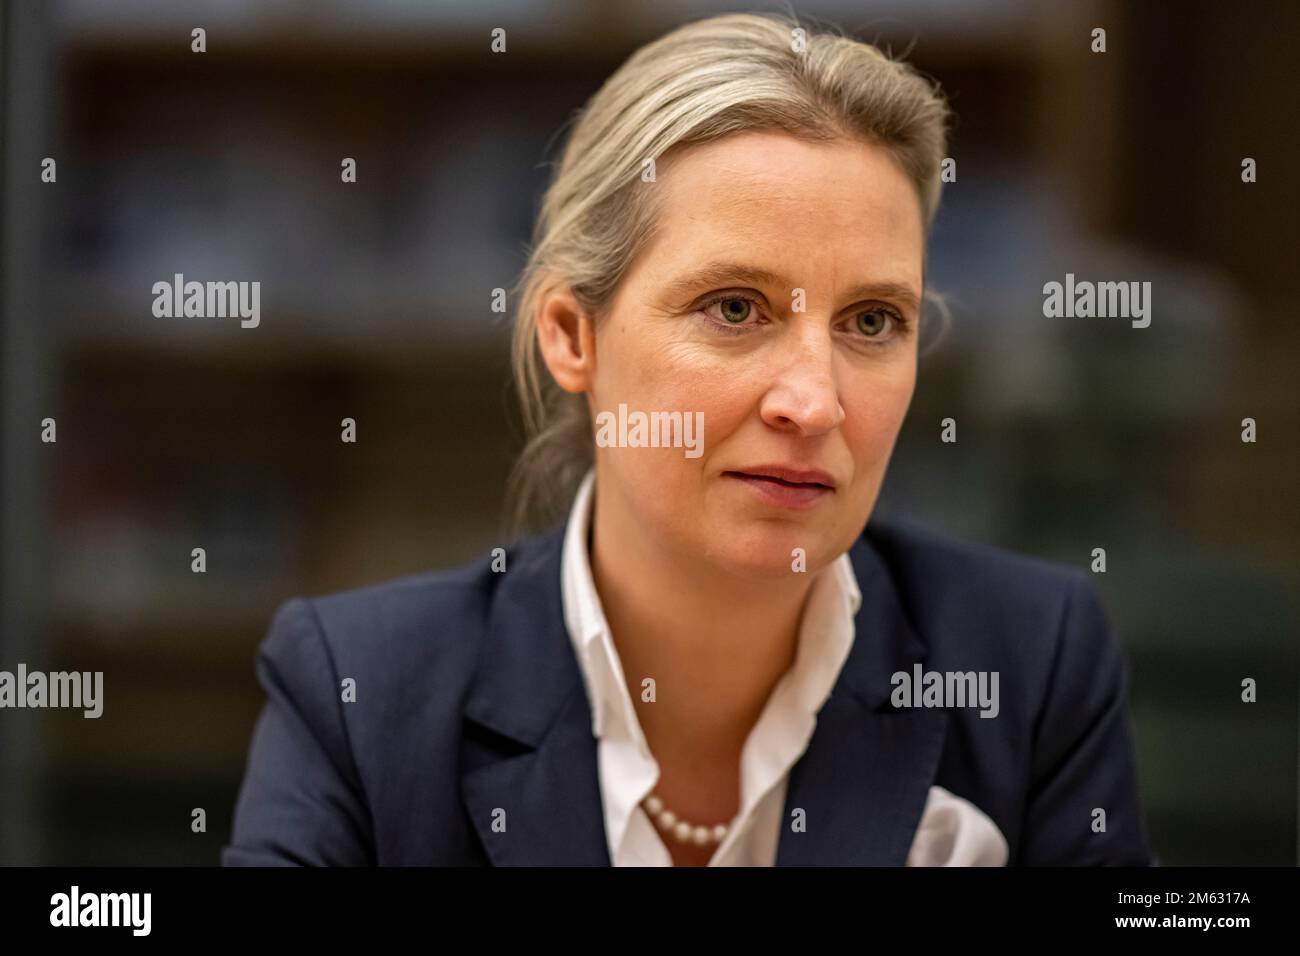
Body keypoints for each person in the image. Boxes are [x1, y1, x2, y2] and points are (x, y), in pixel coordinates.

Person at [223, 11, 1153, 867]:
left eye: (871, 322)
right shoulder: (362, 692)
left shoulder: (1026, 664)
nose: (814, 403)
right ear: (571, 335)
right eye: (735, 307)